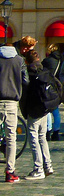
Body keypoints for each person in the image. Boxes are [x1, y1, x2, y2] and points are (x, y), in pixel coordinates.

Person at [20, 49, 55, 179]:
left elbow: (25, 93)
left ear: (26, 61)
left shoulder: (29, 73)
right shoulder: (43, 70)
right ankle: (48, 165)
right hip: (45, 108)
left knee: (33, 138)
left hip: (34, 109)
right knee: (42, 137)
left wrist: (24, 110)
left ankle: (38, 169)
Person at [0, 41, 26, 183]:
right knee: (11, 137)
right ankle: (10, 171)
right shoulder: (19, 60)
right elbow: (26, 80)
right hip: (11, 101)